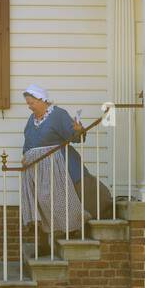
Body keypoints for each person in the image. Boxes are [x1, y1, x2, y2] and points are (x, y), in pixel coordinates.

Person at [21, 85, 114, 225]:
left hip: (63, 165)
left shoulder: (58, 115)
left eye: (31, 103)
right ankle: (61, 229)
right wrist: (25, 155)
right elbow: (28, 139)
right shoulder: (31, 119)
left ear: (41, 100)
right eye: (28, 103)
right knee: (49, 199)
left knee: (80, 191)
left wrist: (78, 130)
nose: (29, 106)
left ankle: (96, 214)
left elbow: (76, 138)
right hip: (42, 172)